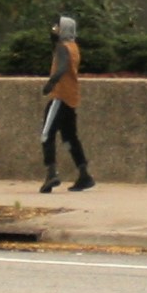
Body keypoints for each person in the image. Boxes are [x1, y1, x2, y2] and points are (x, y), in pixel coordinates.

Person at [41, 15, 94, 193]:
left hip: (60, 97)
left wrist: (50, 83)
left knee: (47, 134)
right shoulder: (74, 47)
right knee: (70, 137)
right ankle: (84, 173)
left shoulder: (63, 48)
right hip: (71, 98)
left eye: (57, 27)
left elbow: (62, 67)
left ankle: (51, 172)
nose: (54, 29)